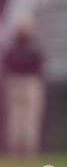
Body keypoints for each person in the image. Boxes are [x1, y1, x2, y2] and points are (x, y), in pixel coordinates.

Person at [2, 23, 45, 156]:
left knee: (16, 117)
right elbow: (40, 67)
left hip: (15, 83)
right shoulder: (33, 48)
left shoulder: (12, 49)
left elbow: (6, 65)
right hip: (29, 83)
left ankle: (16, 149)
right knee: (28, 118)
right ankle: (27, 150)